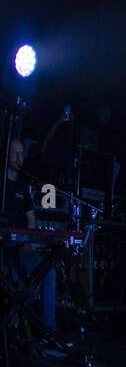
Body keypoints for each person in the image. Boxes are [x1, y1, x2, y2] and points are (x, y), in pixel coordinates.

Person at [2, 138, 57, 334]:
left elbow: (31, 218)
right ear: (6, 155)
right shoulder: (2, 184)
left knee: (48, 274)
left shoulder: (22, 185)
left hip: (22, 247)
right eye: (15, 153)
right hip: (4, 249)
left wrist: (28, 242)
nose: (19, 158)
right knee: (15, 282)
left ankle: (48, 332)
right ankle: (13, 325)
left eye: (21, 154)